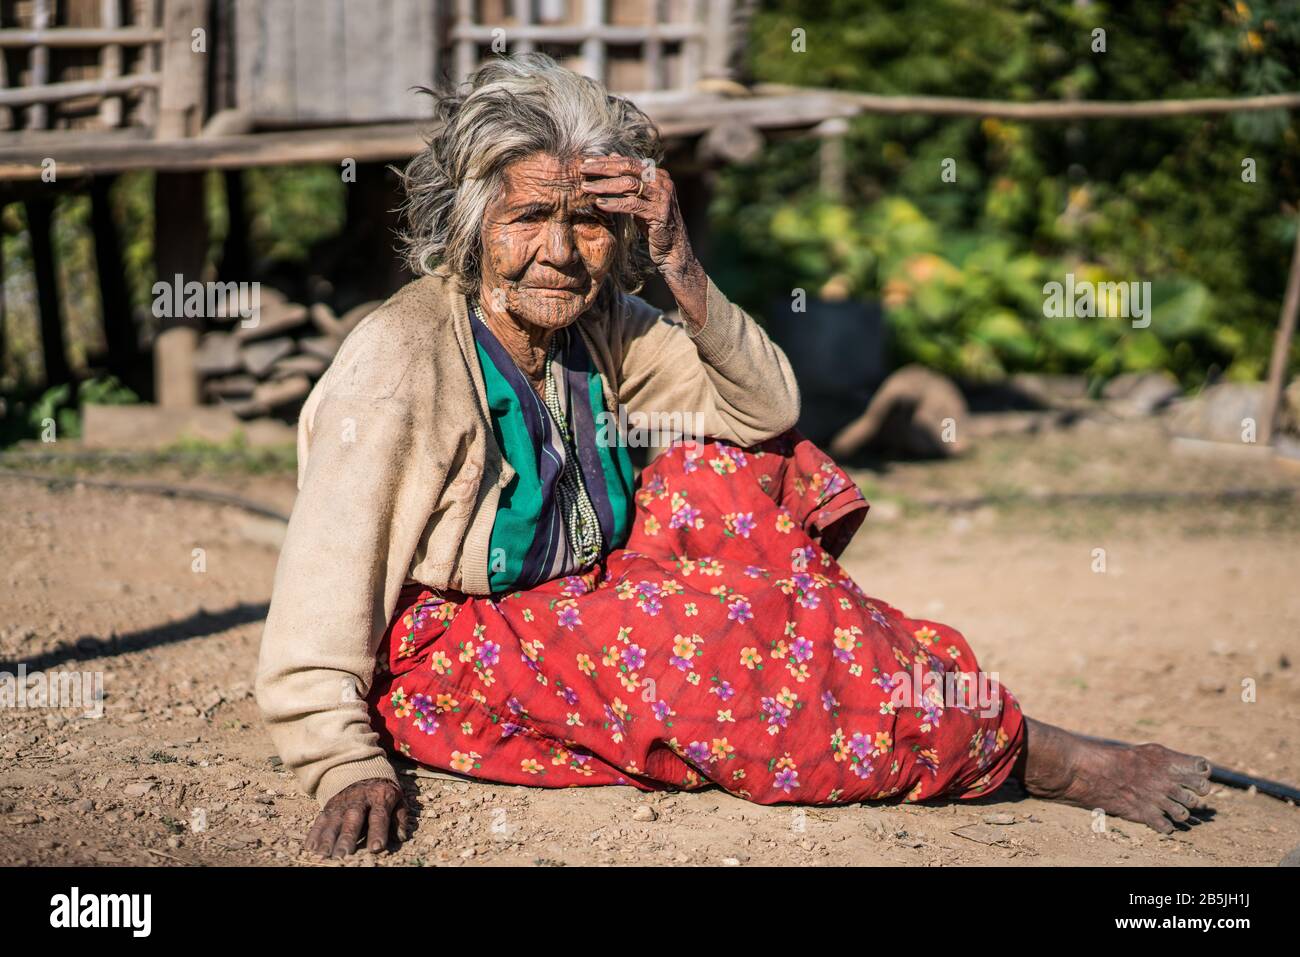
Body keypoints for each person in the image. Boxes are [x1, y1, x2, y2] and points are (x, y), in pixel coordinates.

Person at [255, 54, 1212, 859]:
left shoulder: (602, 325)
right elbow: (320, 593)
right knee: (712, 643)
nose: (560, 252)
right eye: (528, 218)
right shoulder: (402, 357)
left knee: (751, 472)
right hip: (455, 648)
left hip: (582, 593)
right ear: (470, 228)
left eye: (589, 221)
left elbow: (764, 409)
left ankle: (869, 668)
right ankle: (1040, 756)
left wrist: (680, 265)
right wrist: (344, 758)